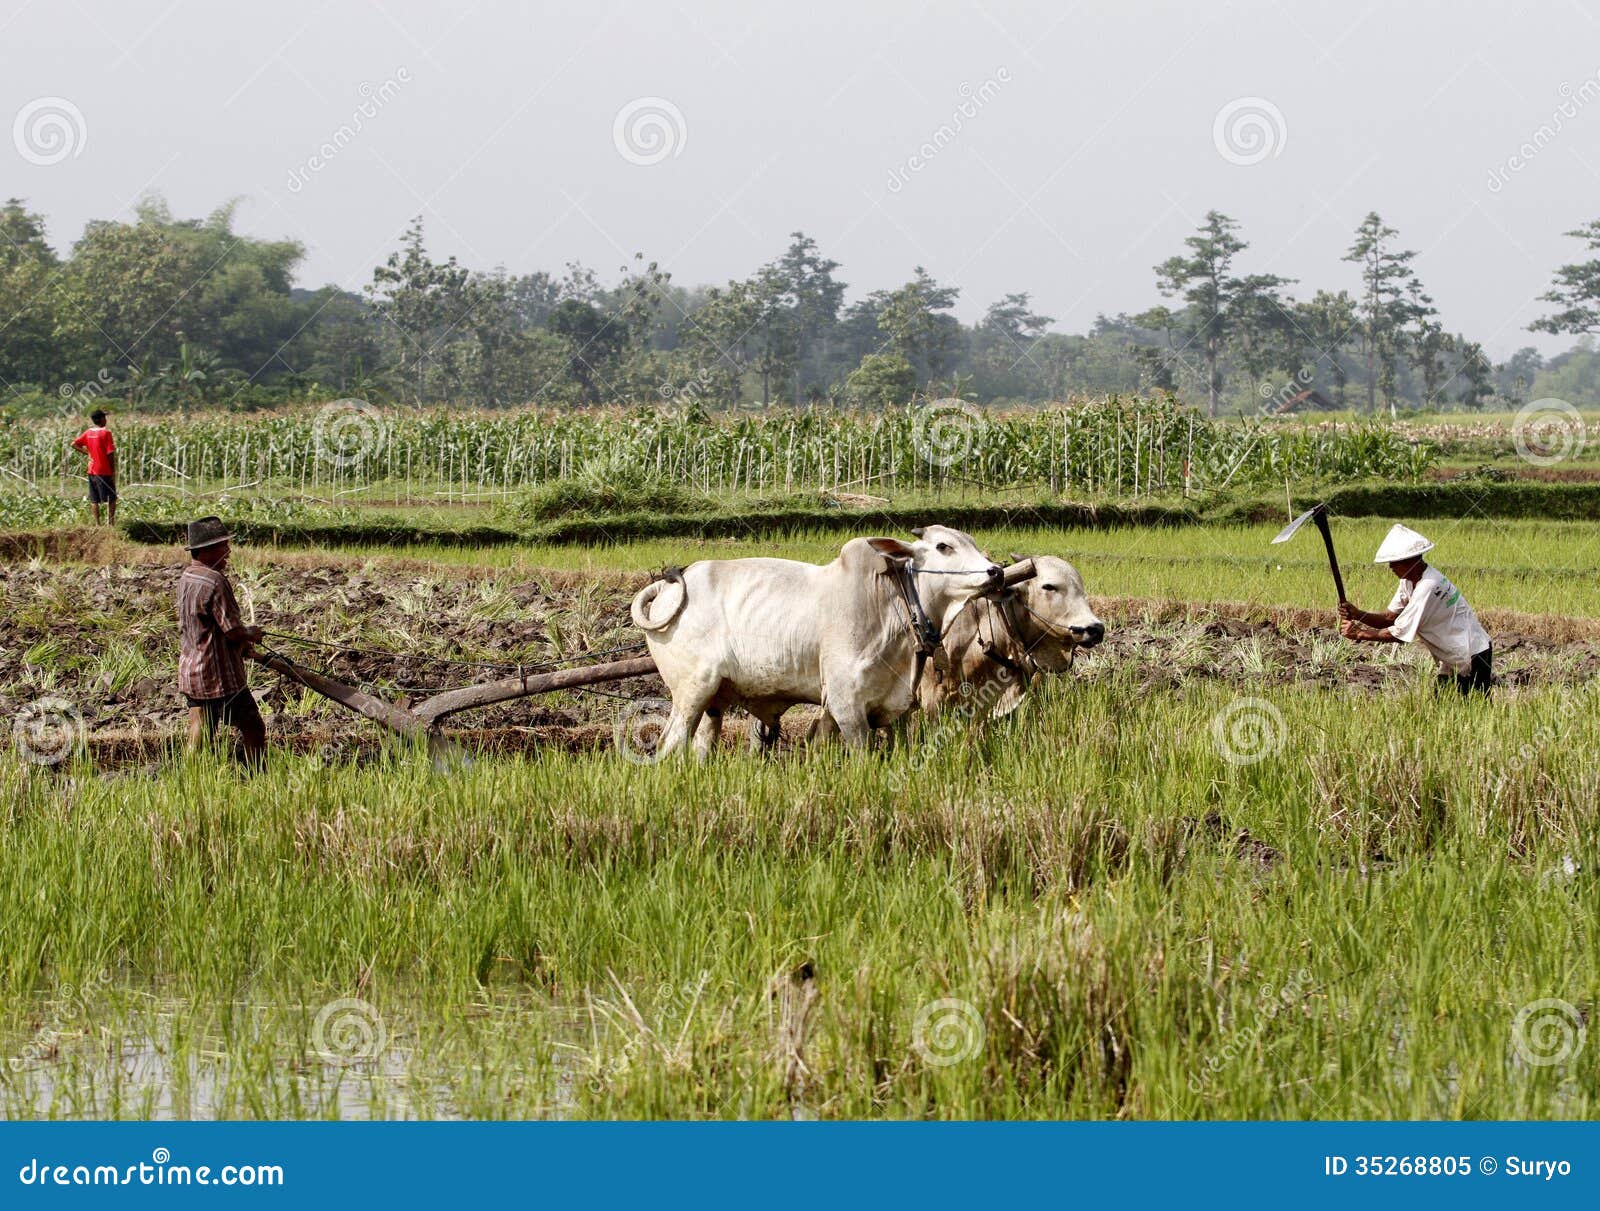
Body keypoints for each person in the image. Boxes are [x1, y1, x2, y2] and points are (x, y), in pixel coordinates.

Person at [1338, 523, 1493, 696]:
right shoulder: (1409, 580)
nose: (1391, 567)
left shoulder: (1428, 586)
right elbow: (1390, 618)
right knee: (1442, 711)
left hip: (1471, 655)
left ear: (1411, 560)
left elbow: (1398, 633)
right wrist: (1358, 614)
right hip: (1452, 658)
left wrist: (1360, 633)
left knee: (1473, 709)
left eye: (1395, 562)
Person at [176, 516, 267, 765]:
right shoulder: (215, 581)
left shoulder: (187, 577)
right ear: (207, 550)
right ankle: (257, 778)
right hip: (219, 677)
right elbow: (232, 631)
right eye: (223, 546)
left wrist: (241, 644)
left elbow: (205, 625)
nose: (228, 552)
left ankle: (188, 778)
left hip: (192, 672)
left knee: (199, 731)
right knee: (253, 727)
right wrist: (251, 634)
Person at [70, 409, 117, 525]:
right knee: (112, 498)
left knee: (94, 499)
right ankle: (111, 523)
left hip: (92, 470)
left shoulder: (88, 432)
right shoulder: (106, 433)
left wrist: (87, 453)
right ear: (101, 419)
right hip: (104, 470)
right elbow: (110, 453)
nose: (106, 420)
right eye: (104, 417)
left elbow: (74, 444)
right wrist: (113, 471)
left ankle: (97, 524)